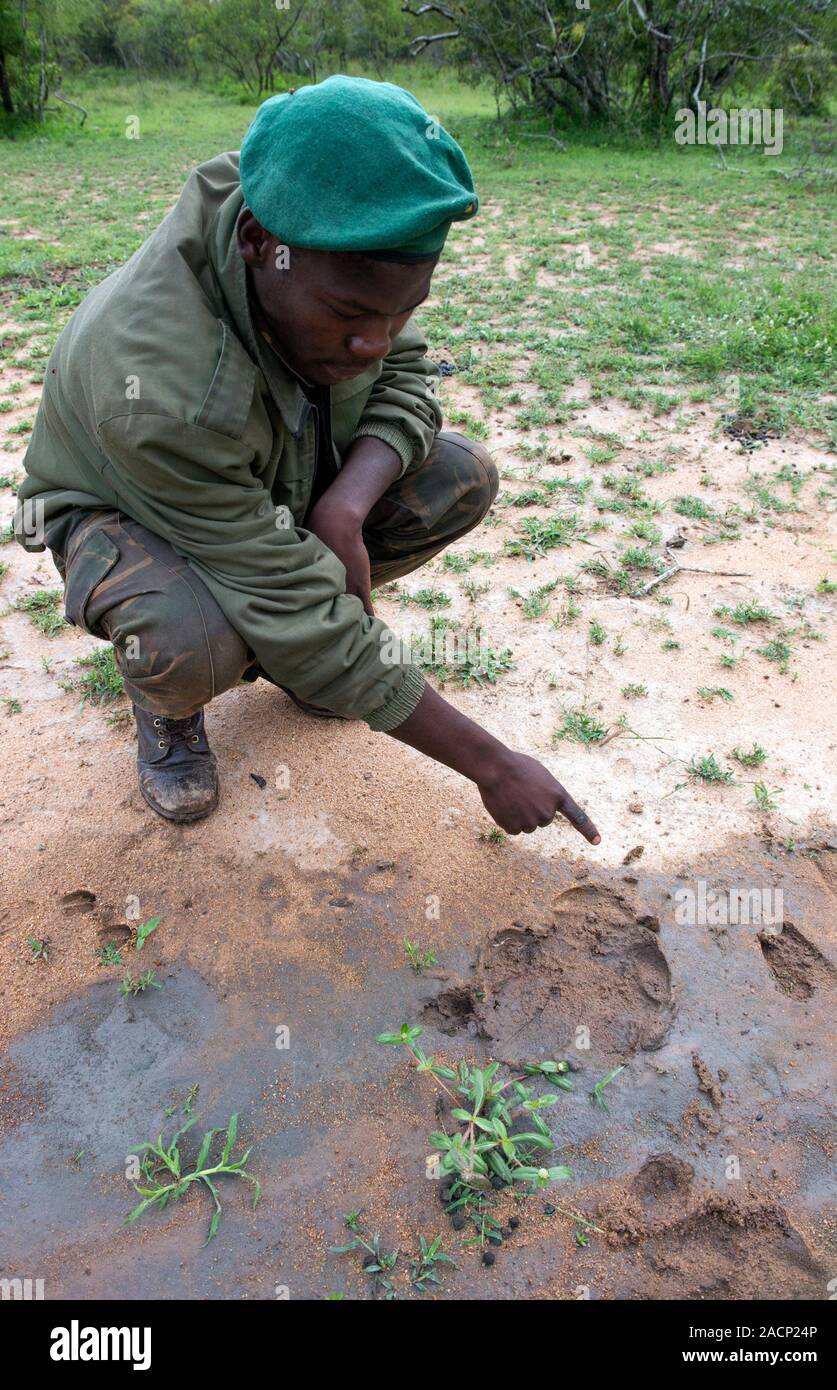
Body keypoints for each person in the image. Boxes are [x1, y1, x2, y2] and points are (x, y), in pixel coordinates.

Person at [15, 75, 600, 848]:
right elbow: (288, 596)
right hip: (124, 508)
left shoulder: (317, 227)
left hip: (265, 482)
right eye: (353, 317)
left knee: (457, 476)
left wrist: (344, 507)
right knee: (180, 635)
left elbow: (407, 377)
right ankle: (169, 709)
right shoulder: (162, 388)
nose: (376, 343)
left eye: (403, 310)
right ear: (259, 243)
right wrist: (490, 765)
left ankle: (306, 657)